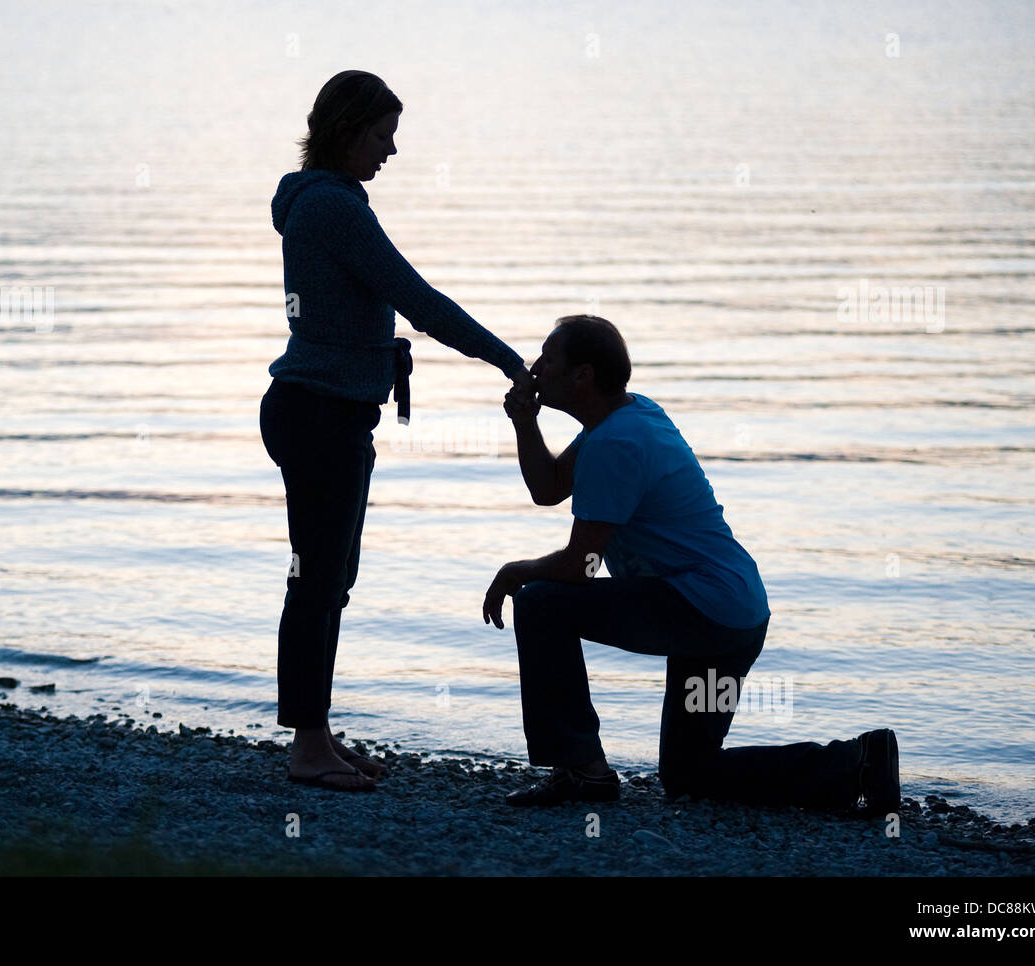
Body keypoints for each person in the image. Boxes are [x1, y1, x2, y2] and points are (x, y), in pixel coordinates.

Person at [483, 315, 900, 813]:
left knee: (541, 603)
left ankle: (582, 771)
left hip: (699, 610)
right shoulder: (627, 418)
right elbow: (549, 488)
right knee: (689, 773)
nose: (535, 366)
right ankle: (860, 764)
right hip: (735, 616)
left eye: (548, 357)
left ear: (583, 376)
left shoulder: (617, 442)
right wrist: (525, 421)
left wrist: (516, 571)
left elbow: (582, 566)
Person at [261, 70, 531, 792]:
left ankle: (316, 734)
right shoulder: (335, 210)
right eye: (382, 135)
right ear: (348, 131)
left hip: (322, 407)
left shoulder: (321, 201)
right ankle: (307, 750)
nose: (391, 150)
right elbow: (417, 298)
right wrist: (508, 359)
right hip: (319, 413)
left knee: (330, 579)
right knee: (317, 581)